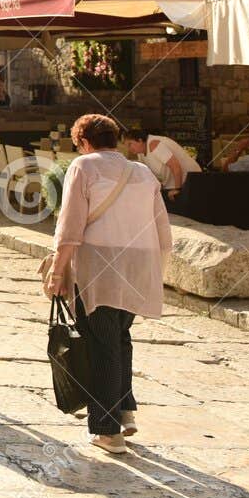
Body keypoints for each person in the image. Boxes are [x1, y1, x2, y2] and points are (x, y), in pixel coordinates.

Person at [45, 113, 169, 454]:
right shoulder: (143, 172)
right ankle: (125, 409)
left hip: (100, 266)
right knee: (119, 337)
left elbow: (70, 226)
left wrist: (58, 271)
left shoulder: (84, 167)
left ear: (84, 142)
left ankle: (107, 429)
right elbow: (162, 227)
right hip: (138, 266)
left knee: (102, 345)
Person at [124, 129, 200, 200]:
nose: (129, 149)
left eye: (130, 144)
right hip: (173, 187)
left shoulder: (154, 144)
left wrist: (177, 190)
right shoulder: (140, 153)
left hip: (192, 181)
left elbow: (175, 166)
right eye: (127, 146)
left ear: (140, 140)